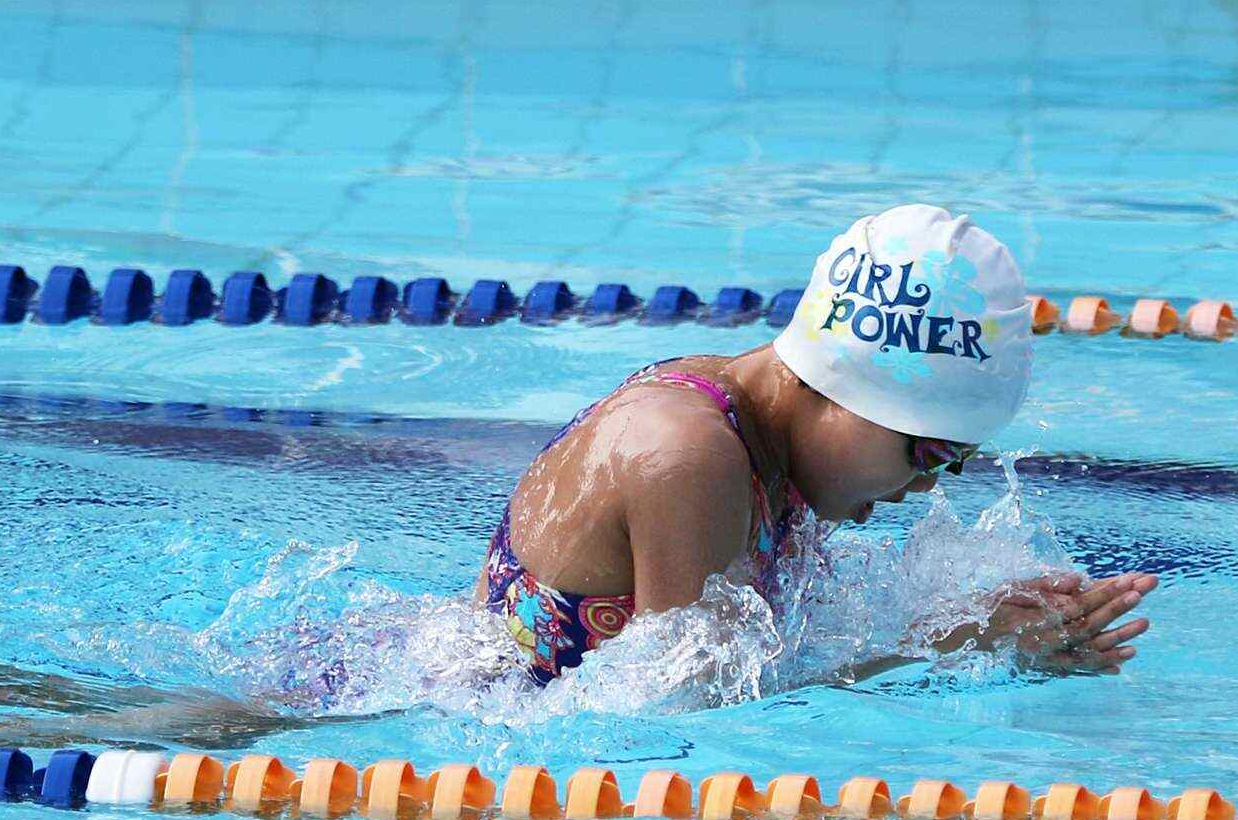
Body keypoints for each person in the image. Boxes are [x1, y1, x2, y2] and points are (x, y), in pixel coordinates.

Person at [477, 204, 1158, 686]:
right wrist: (955, 649)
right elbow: (686, 712)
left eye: (955, 463)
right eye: (924, 455)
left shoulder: (769, 443)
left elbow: (764, 661)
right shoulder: (688, 455)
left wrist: (985, 620)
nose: (928, 488)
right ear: (844, 388)